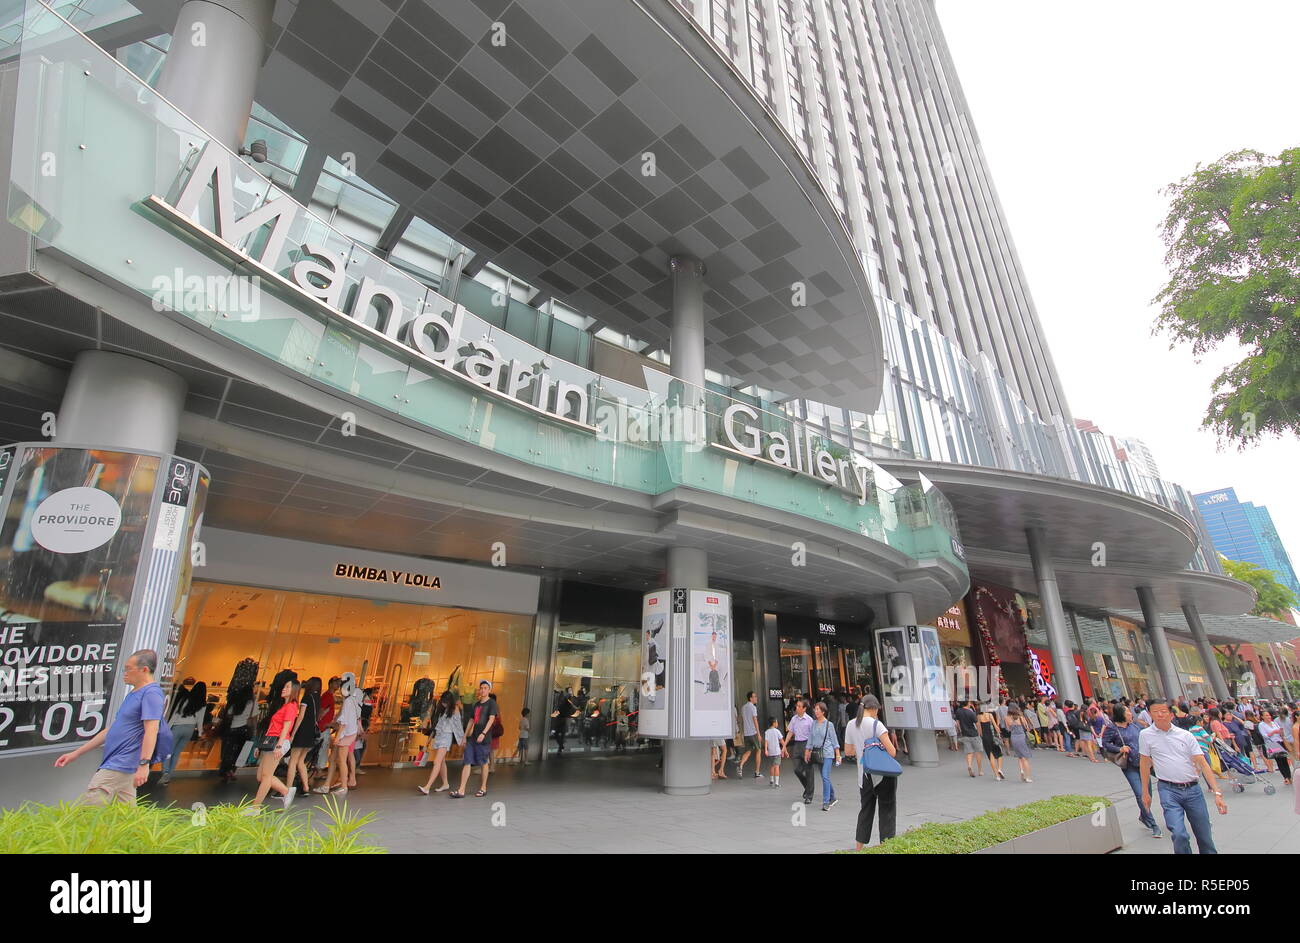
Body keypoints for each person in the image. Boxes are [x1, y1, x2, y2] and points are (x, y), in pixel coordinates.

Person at [55, 650, 169, 805]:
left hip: (120, 763)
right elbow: (112, 729)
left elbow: (152, 729)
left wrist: (144, 765)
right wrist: (76, 753)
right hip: (120, 763)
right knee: (124, 818)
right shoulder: (135, 693)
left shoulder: (151, 694)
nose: (124, 673)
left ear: (144, 670)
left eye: (128, 668)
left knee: (87, 812)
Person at [1138, 699, 1226, 854]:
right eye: (1155, 711)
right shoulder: (1145, 735)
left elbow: (1203, 763)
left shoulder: (1185, 735)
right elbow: (1144, 763)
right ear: (1150, 714)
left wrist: (1217, 792)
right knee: (1179, 834)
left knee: (1204, 836)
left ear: (1171, 714)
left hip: (1192, 789)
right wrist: (1145, 792)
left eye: (1163, 711)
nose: (1159, 715)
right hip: (1168, 790)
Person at [844, 695, 897, 849]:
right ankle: (886, 848)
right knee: (887, 811)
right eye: (877, 711)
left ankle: (859, 848)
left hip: (864, 776)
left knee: (865, 811)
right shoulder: (877, 725)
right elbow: (892, 752)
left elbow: (848, 751)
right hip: (882, 775)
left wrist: (862, 748)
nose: (877, 714)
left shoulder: (851, 724)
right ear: (873, 708)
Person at [1102, 705, 1162, 838]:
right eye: (1128, 712)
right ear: (1120, 714)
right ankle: (1153, 825)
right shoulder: (1112, 728)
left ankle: (1143, 815)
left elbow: (1147, 739)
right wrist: (1120, 749)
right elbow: (1105, 743)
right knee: (1140, 794)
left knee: (1148, 795)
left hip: (1144, 764)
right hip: (1129, 766)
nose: (1130, 714)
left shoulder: (1134, 726)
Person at [248, 678, 299, 812]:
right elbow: (273, 727)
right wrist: (260, 745)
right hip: (272, 741)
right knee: (261, 776)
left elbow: (286, 728)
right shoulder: (285, 706)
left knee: (266, 776)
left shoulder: (291, 706)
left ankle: (255, 807)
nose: (284, 689)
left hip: (278, 741)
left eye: (288, 687)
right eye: (284, 686)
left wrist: (279, 746)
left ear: (294, 690)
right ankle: (286, 792)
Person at [317, 671, 361, 795]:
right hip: (349, 734)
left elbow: (344, 722)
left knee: (341, 760)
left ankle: (343, 786)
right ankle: (335, 785)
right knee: (336, 759)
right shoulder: (353, 701)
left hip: (345, 735)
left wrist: (338, 737)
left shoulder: (348, 702)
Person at [453, 680, 499, 798]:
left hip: (484, 738)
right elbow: (472, 720)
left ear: (489, 690)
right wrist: (464, 736)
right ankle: (461, 789)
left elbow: (491, 719)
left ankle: (483, 788)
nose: (482, 690)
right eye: (481, 688)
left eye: (485, 688)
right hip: (473, 737)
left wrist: (483, 733)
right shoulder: (476, 704)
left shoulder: (491, 703)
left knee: (484, 762)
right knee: (467, 761)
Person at [159, 679, 205, 784]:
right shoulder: (202, 703)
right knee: (177, 753)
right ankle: (169, 775)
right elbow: (200, 720)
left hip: (177, 727)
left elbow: (175, 714)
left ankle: (165, 773)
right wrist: (200, 733)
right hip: (190, 728)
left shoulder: (185, 699)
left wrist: (167, 727)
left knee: (168, 751)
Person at [418, 691, 463, 794]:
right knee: (441, 761)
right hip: (439, 736)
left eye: (446, 702)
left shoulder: (454, 709)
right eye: (443, 701)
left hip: (446, 737)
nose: (444, 703)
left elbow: (458, 725)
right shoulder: (442, 710)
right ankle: (445, 783)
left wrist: (462, 739)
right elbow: (435, 728)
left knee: (436, 762)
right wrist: (427, 743)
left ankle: (427, 787)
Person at [805, 701, 841, 812]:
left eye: (817, 709)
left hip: (828, 753)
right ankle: (833, 796)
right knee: (824, 777)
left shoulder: (829, 725)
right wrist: (807, 751)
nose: (815, 711)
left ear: (823, 711)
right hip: (818, 754)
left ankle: (826, 802)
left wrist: (838, 755)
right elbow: (810, 738)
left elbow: (834, 741)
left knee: (825, 776)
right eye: (815, 709)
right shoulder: (813, 723)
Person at [287, 677, 321, 795]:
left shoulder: (307, 697)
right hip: (311, 733)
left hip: (302, 732)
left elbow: (300, 716)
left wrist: (293, 733)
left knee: (293, 760)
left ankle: (288, 788)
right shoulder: (317, 698)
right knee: (301, 761)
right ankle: (306, 787)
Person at [782, 697, 815, 804]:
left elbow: (812, 735)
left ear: (804, 709)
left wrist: (810, 749)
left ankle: (809, 795)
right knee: (797, 769)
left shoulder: (810, 720)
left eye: (800, 706)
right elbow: (790, 732)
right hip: (797, 745)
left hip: (806, 744)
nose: (797, 708)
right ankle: (807, 786)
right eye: (797, 706)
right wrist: (784, 746)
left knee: (809, 771)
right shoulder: (794, 719)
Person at [1258, 710, 1291, 785]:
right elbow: (1264, 735)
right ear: (1262, 717)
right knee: (1279, 761)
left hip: (1280, 741)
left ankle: (1289, 776)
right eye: (1266, 715)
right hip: (1272, 743)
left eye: (1269, 715)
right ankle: (1285, 777)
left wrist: (1280, 732)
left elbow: (1280, 731)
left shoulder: (1274, 723)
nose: (1268, 717)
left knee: (1284, 760)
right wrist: (1273, 732)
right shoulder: (1261, 725)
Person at [737, 691, 762, 778]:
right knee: (758, 750)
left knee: (748, 751)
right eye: (754, 696)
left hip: (746, 733)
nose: (756, 698)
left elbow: (741, 720)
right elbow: (755, 721)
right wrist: (758, 734)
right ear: (750, 698)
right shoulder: (753, 707)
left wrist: (741, 732)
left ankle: (740, 766)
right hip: (753, 733)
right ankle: (757, 772)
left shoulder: (743, 707)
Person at [1006, 703, 1033, 782]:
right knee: (1025, 758)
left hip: (1013, 737)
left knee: (1020, 756)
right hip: (1021, 737)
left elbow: (1008, 729)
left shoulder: (1006, 718)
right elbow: (1027, 728)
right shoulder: (1021, 717)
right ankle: (1028, 777)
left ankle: (1021, 771)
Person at [977, 703, 1004, 780]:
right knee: (999, 754)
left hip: (985, 738)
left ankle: (996, 776)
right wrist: (999, 734)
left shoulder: (978, 716)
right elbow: (995, 726)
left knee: (990, 756)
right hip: (992, 737)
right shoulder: (989, 715)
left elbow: (979, 730)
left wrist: (982, 737)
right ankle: (999, 769)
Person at [955, 699, 982, 776]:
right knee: (978, 752)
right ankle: (980, 770)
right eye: (970, 702)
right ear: (967, 703)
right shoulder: (971, 713)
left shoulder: (958, 711)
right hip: (974, 734)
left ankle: (970, 766)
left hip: (965, 734)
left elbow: (957, 722)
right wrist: (979, 733)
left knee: (969, 752)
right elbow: (977, 724)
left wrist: (960, 730)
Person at [764, 716, 783, 786]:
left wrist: (766, 750)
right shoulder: (777, 731)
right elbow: (781, 741)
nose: (777, 723)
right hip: (777, 752)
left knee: (772, 766)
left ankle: (771, 780)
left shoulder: (767, 732)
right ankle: (777, 782)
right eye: (777, 722)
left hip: (770, 752)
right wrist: (784, 749)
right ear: (774, 723)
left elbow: (766, 741)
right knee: (777, 766)